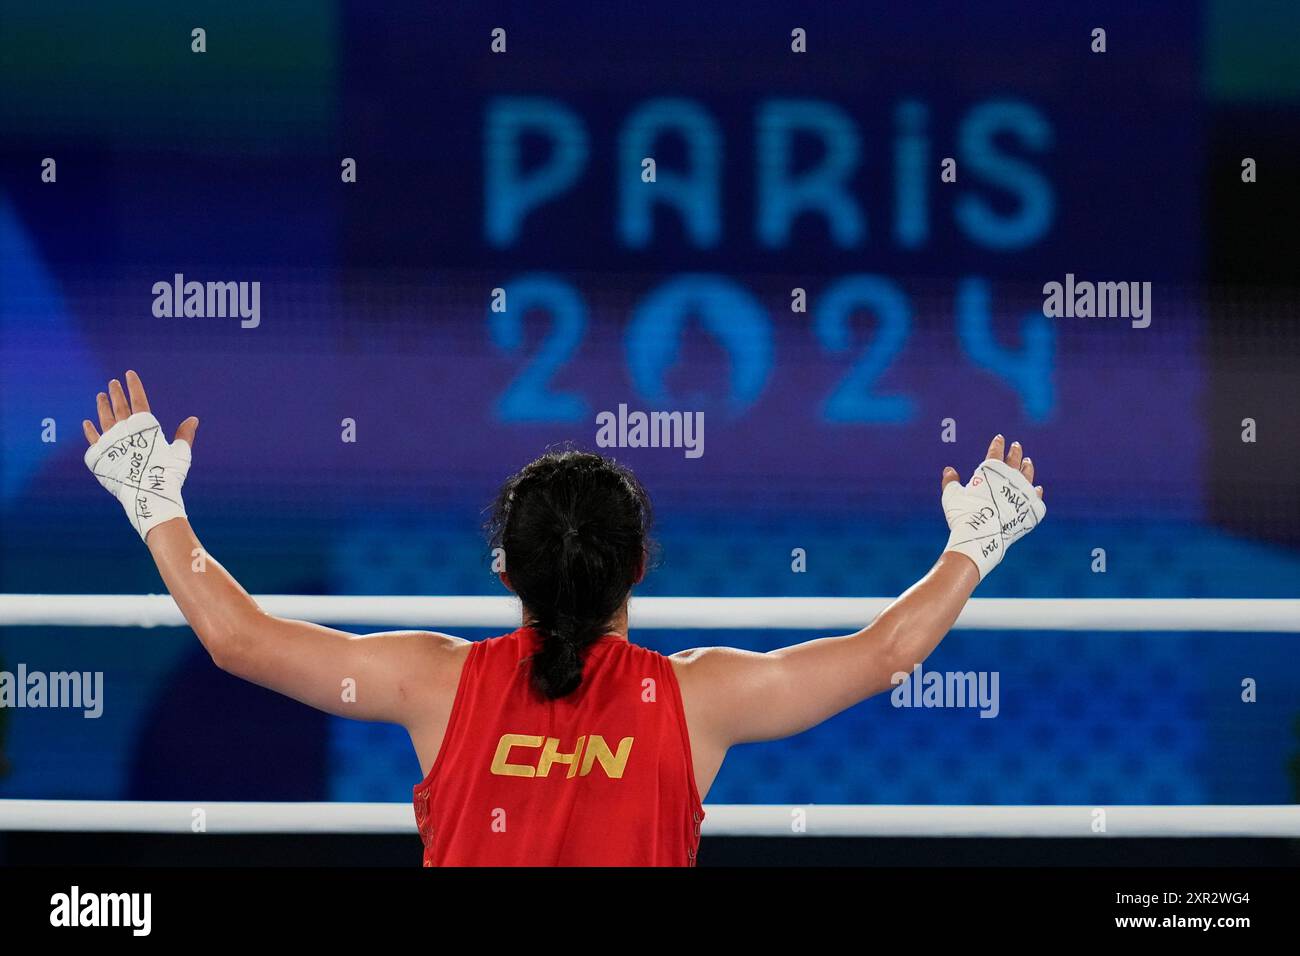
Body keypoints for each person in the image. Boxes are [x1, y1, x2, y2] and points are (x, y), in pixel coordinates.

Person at [83, 370, 1045, 866]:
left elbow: (237, 638)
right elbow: (889, 653)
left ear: (507, 572)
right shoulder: (701, 698)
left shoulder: (437, 682)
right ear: (636, 567)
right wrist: (977, 540)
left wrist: (153, 500)